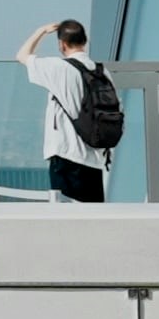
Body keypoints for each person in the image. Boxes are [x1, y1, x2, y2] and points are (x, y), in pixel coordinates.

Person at [18, 19, 113, 203]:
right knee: (92, 220)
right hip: (95, 157)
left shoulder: (59, 68)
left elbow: (23, 55)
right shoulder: (102, 72)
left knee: (66, 221)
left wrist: (41, 30)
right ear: (85, 41)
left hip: (66, 154)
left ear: (62, 44)